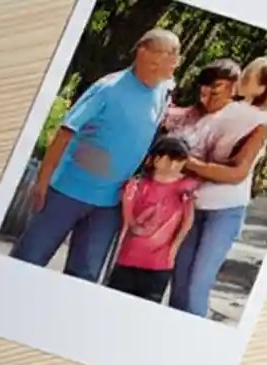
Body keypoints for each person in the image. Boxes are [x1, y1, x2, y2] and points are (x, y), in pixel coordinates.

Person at [10, 28, 180, 281]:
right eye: (168, 53)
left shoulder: (163, 89)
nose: (174, 61)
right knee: (28, 259)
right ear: (142, 52)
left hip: (111, 202)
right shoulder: (108, 89)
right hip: (68, 191)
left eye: (176, 55)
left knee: (85, 275)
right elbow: (65, 133)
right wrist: (42, 181)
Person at [168, 56, 267, 318]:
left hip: (224, 210)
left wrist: (189, 163)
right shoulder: (225, 109)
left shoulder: (259, 123)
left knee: (198, 282)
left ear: (264, 89)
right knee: (180, 277)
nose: (239, 79)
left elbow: (236, 174)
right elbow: (188, 128)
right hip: (192, 203)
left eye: (248, 77)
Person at [105, 136, 199, 303]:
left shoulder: (185, 189)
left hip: (159, 265)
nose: (172, 165)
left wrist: (174, 248)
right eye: (168, 159)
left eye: (178, 161)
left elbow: (187, 221)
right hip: (126, 258)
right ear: (155, 158)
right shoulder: (137, 184)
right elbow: (127, 218)